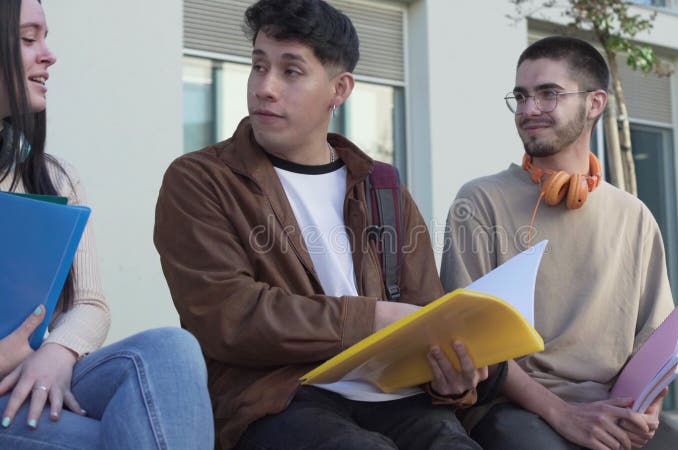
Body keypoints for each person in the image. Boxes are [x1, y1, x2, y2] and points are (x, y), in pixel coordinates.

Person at [152, 1, 497, 449]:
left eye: (290, 71)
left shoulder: (383, 186)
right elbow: (227, 315)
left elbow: (422, 310)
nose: (265, 88)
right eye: (258, 66)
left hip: (397, 397)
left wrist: (450, 381)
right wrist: (371, 318)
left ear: (340, 89)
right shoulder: (201, 179)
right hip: (276, 400)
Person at [440, 36, 678, 450]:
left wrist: (647, 409)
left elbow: (655, 342)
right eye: (521, 96)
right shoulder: (479, 200)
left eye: (548, 94)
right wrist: (563, 414)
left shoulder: (634, 215)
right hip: (510, 409)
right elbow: (468, 340)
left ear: (595, 103)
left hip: (611, 408)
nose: (529, 110)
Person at [0, 0, 214, 448]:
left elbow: (90, 302)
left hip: (45, 370)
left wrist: (58, 352)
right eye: (27, 38)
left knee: (171, 350)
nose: (48, 54)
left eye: (45, 37)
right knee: (121, 436)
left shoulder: (53, 175)